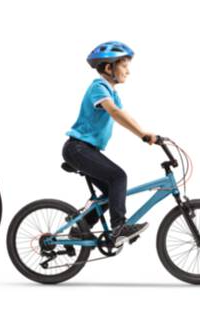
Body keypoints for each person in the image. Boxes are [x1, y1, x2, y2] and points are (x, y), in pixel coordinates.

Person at [63, 42, 159, 245]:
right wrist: (142, 134)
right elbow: (114, 113)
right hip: (77, 149)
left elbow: (124, 115)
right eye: (124, 66)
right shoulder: (99, 87)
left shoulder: (113, 94)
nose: (128, 72)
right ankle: (119, 228)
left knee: (109, 191)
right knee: (118, 177)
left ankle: (80, 228)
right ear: (108, 68)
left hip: (84, 150)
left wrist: (146, 134)